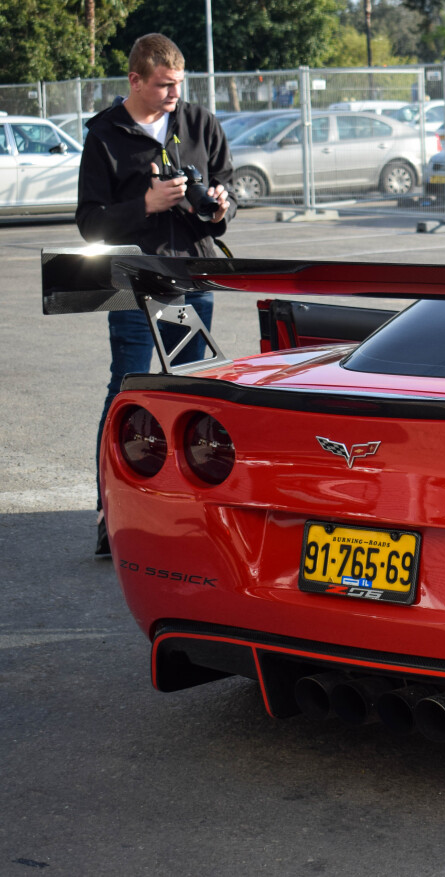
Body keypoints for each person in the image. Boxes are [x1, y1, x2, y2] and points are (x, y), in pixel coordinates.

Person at [77, 33, 235, 557]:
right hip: (129, 277)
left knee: (193, 391)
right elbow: (89, 221)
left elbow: (225, 189)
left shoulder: (200, 123)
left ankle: (191, 514)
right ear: (136, 80)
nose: (174, 94)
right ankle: (109, 512)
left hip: (190, 274)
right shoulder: (104, 134)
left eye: (179, 85)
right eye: (164, 85)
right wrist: (145, 203)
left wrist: (218, 205)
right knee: (127, 387)